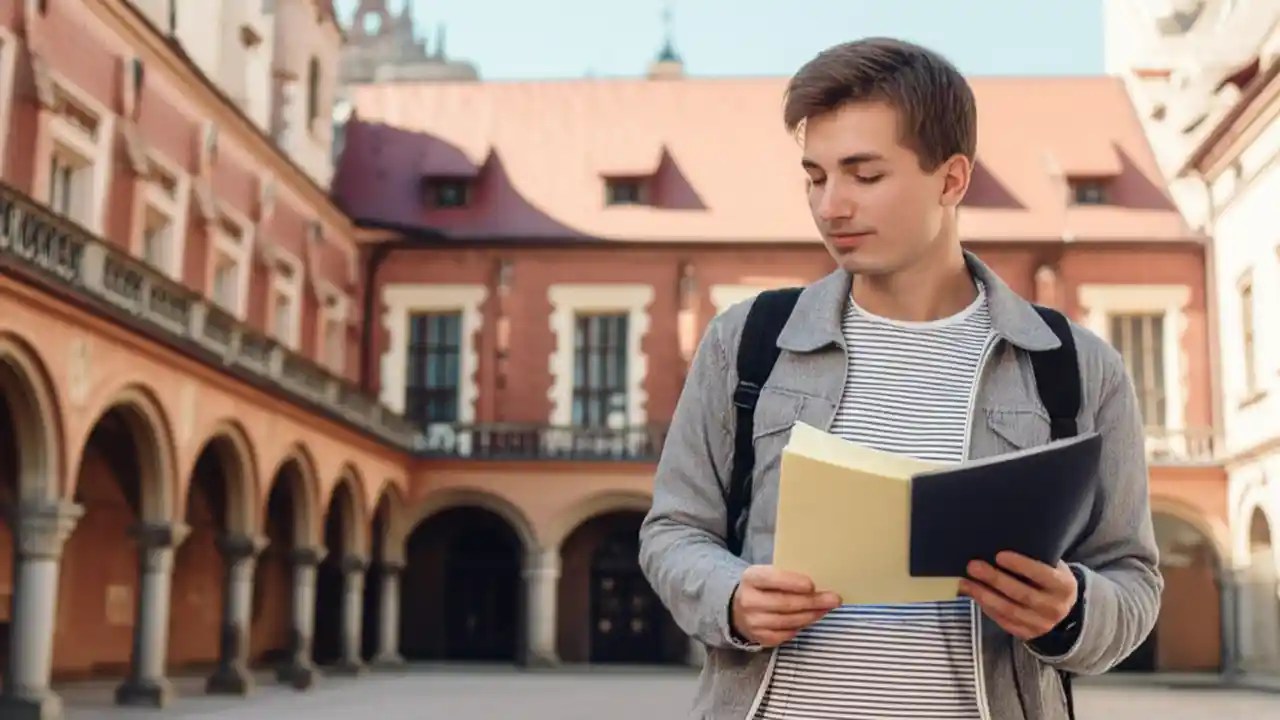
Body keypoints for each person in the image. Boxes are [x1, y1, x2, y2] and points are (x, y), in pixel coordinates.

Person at [638, 37, 1162, 720]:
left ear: (951, 180)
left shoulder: (1074, 366)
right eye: (816, 176)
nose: (831, 207)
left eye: (864, 175)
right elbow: (673, 530)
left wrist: (1071, 610)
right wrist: (731, 596)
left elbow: (1134, 579)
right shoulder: (747, 342)